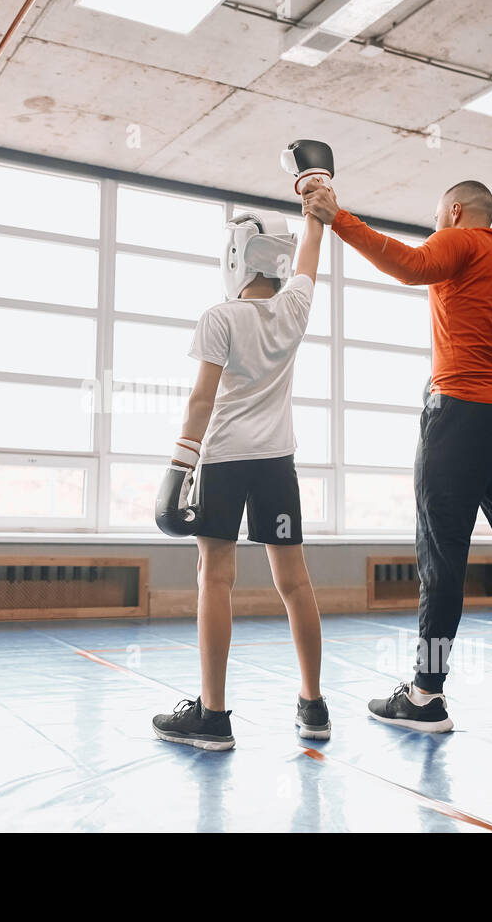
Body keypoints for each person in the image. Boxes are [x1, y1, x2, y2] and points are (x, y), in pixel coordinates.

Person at [303, 179, 492, 732]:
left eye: (435, 217)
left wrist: (339, 218)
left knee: (441, 552)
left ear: (454, 212)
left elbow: (407, 265)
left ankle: (426, 695)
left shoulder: (462, 242)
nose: (435, 227)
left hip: (460, 415)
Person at [151, 204, 329, 751]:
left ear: (235, 258)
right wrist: (316, 208)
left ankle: (213, 716)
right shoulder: (294, 308)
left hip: (225, 460)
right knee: (295, 582)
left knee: (214, 579)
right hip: (277, 462)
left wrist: (178, 467)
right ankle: (314, 706)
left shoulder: (220, 317)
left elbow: (201, 400)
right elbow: (311, 252)